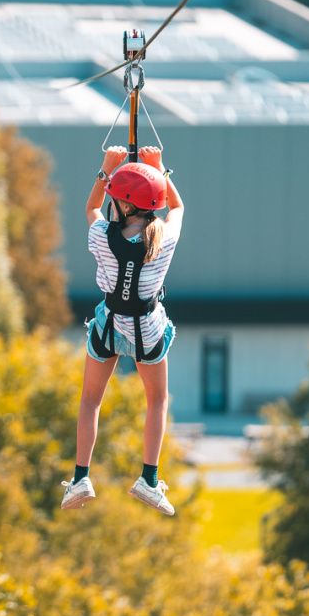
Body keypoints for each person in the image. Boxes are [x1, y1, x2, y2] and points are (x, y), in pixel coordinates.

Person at [61, 145, 183, 515]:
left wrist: (106, 169)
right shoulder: (163, 239)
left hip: (108, 325)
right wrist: (159, 169)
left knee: (90, 400)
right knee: (157, 400)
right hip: (146, 327)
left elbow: (91, 209)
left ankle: (81, 476)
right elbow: (177, 208)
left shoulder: (101, 235)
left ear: (123, 203)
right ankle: (148, 478)